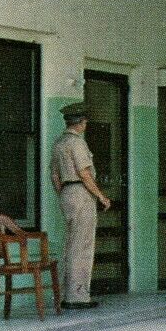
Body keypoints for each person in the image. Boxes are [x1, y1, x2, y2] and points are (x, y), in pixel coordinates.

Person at [50, 101, 112, 310]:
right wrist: (101, 196)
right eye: (85, 121)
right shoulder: (77, 144)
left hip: (67, 193)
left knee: (71, 244)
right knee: (82, 246)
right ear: (81, 122)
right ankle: (77, 296)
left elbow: (55, 176)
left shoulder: (58, 143)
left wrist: (65, 194)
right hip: (80, 192)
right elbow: (85, 174)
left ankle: (69, 292)